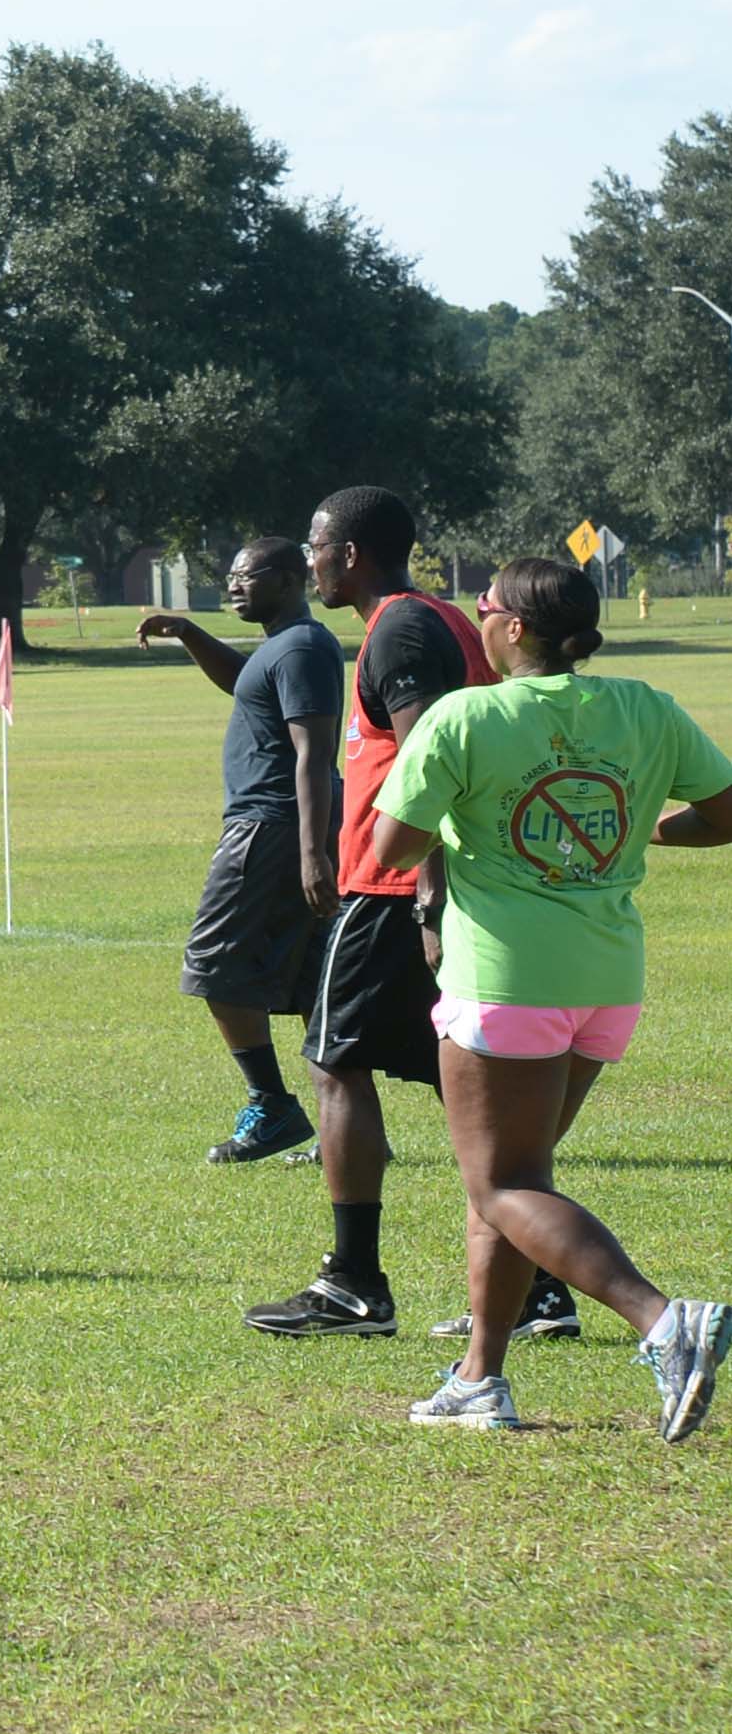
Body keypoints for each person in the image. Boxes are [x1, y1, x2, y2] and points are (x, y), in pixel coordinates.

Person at [366, 558, 729, 1436]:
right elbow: (724, 814)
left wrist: (449, 812)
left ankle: (661, 1321)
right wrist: (637, 833)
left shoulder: (465, 715)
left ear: (514, 629)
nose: (476, 618)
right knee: (514, 1184)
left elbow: (391, 849)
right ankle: (479, 1378)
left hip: (507, 981)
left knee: (502, 1186)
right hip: (606, 981)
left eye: (482, 607)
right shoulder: (643, 706)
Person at [244, 488, 571, 1341]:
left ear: (349, 554)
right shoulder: (436, 619)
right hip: (412, 890)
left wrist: (427, 887)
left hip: (391, 894)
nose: (308, 559)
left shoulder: (401, 628)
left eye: (315, 545)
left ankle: (354, 1285)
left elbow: (435, 758)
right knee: (455, 1080)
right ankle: (537, 1282)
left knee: (333, 1063)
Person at [133, 536, 343, 1163]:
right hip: (281, 827)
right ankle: (351, 1129)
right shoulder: (282, 646)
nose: (232, 585)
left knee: (215, 967)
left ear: (287, 578)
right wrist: (190, 633)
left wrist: (312, 853)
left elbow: (313, 752)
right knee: (311, 988)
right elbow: (247, 684)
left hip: (272, 827)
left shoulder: (303, 646)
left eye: (245, 576)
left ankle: (272, 1105)